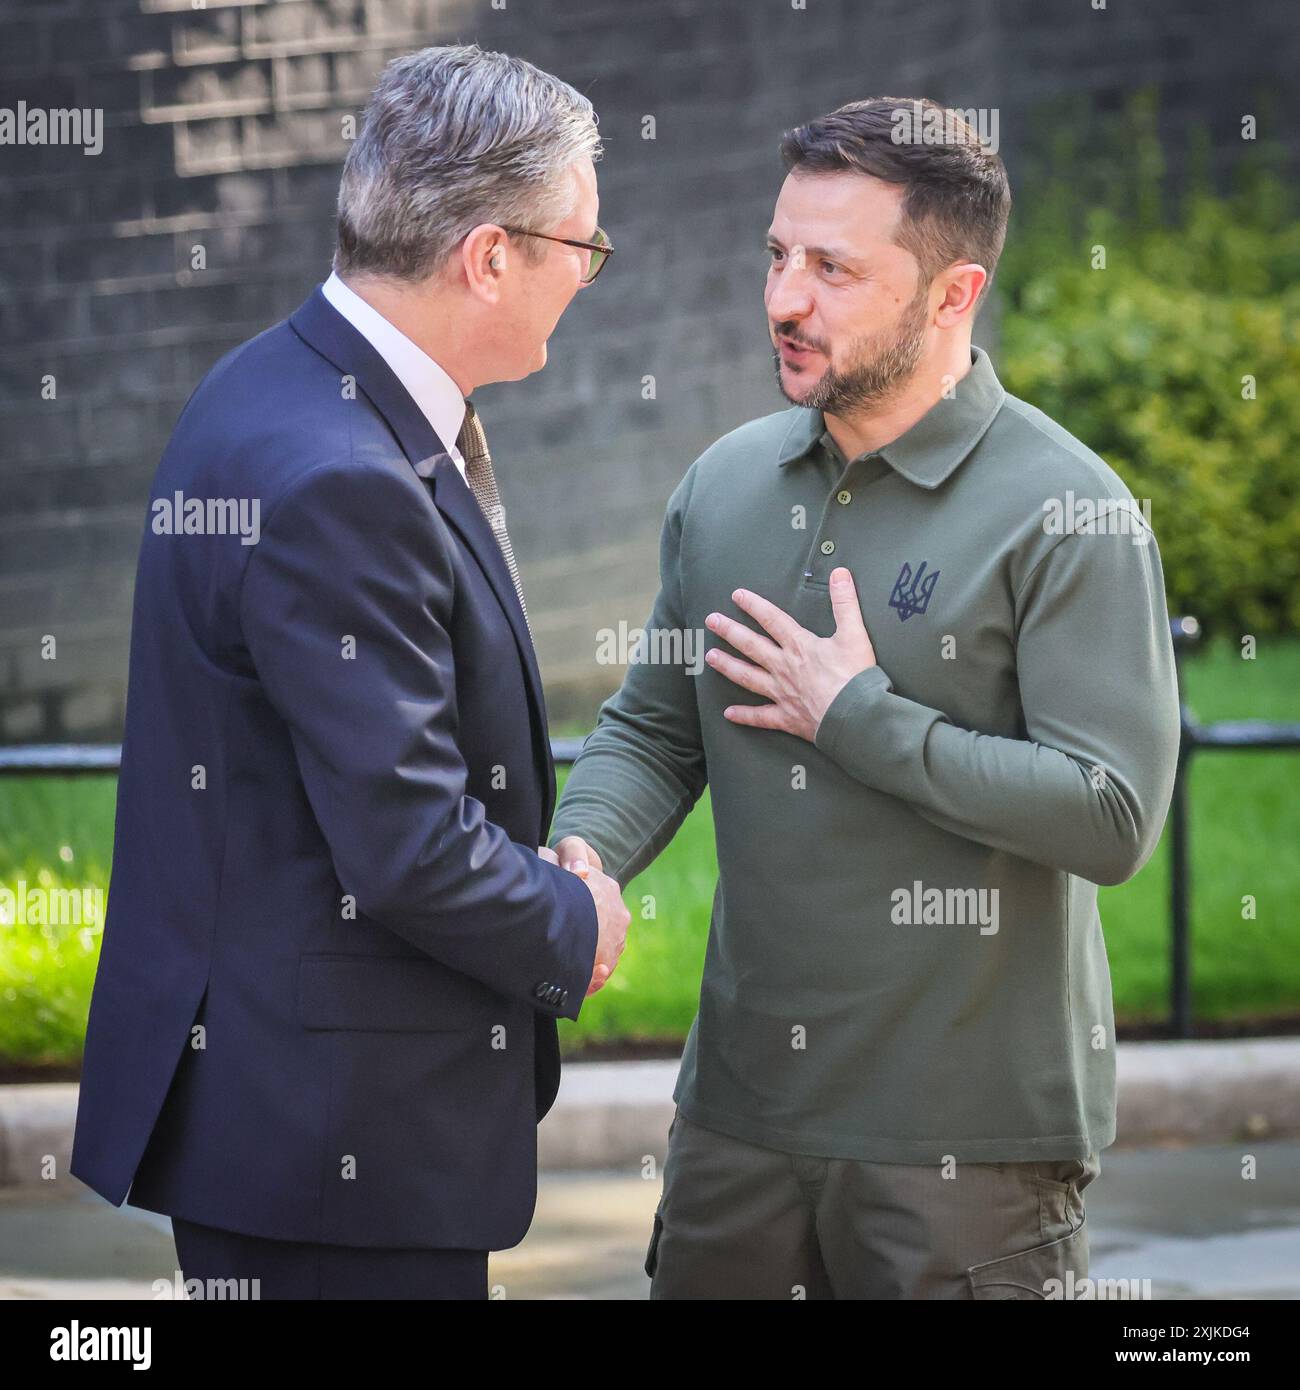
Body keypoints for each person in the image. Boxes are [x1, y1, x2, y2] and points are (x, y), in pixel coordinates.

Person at [550, 97, 1181, 1299]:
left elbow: (1111, 815)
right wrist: (584, 856)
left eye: (833, 268)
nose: (786, 299)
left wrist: (860, 719)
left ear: (953, 294)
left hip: (969, 1154)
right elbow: (653, 726)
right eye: (778, 256)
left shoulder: (1068, 510)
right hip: (738, 1122)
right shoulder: (724, 482)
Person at [70, 43, 629, 1301]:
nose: (587, 278)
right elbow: (407, 846)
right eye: (582, 248)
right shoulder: (344, 479)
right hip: (336, 1147)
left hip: (279, 1116)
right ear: (491, 256)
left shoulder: (265, 383)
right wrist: (572, 922)